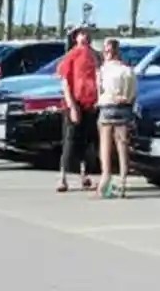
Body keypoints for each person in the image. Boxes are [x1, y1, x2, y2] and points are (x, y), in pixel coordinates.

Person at [56, 27, 99, 193]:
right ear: (75, 37)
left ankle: (85, 174)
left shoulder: (95, 56)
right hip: (74, 103)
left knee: (88, 141)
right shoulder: (71, 55)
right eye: (82, 34)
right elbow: (65, 82)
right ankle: (63, 177)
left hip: (91, 104)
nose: (85, 37)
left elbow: (99, 78)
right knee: (70, 140)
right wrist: (72, 106)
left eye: (87, 34)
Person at [95, 38, 136, 199]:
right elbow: (133, 93)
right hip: (123, 108)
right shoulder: (127, 70)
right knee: (122, 145)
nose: (106, 53)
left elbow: (100, 90)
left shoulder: (103, 70)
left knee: (105, 146)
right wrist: (126, 98)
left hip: (107, 107)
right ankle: (122, 181)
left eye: (107, 51)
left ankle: (106, 178)